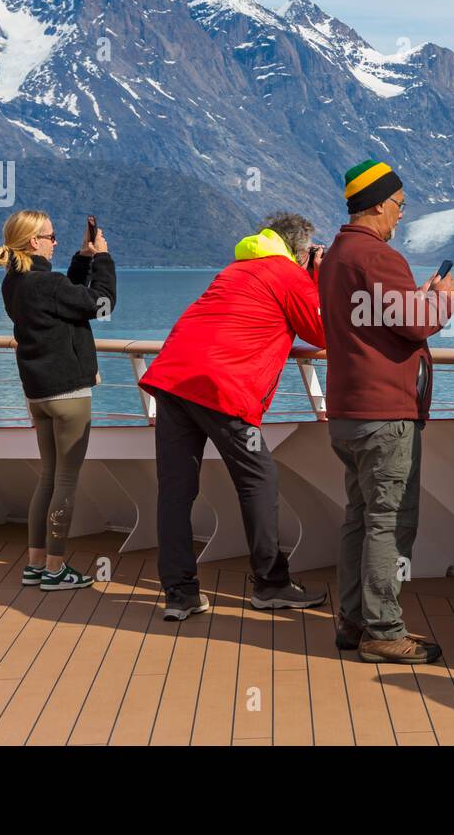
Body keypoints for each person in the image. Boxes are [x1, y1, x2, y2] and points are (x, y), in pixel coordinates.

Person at [138, 214, 329, 621]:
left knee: (175, 491)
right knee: (259, 478)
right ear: (298, 251)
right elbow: (322, 333)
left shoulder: (236, 269)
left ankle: (180, 593)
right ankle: (271, 585)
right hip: (223, 389)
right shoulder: (287, 274)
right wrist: (316, 279)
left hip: (174, 381)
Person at [318, 160, 454, 665]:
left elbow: (379, 319)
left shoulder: (337, 256)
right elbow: (416, 326)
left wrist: (411, 302)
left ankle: (353, 620)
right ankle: (383, 630)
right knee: (390, 522)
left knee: (360, 517)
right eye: (399, 206)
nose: (401, 216)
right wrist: (439, 301)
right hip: (384, 412)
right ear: (378, 204)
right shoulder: (378, 257)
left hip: (348, 410)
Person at [0, 210, 116, 592]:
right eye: (51, 236)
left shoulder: (14, 282)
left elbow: (67, 297)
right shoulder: (45, 284)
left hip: (38, 394)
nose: (55, 241)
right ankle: (57, 568)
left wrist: (82, 257)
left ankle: (35, 564)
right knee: (66, 480)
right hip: (69, 394)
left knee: (47, 477)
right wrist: (104, 259)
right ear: (34, 242)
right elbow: (101, 305)